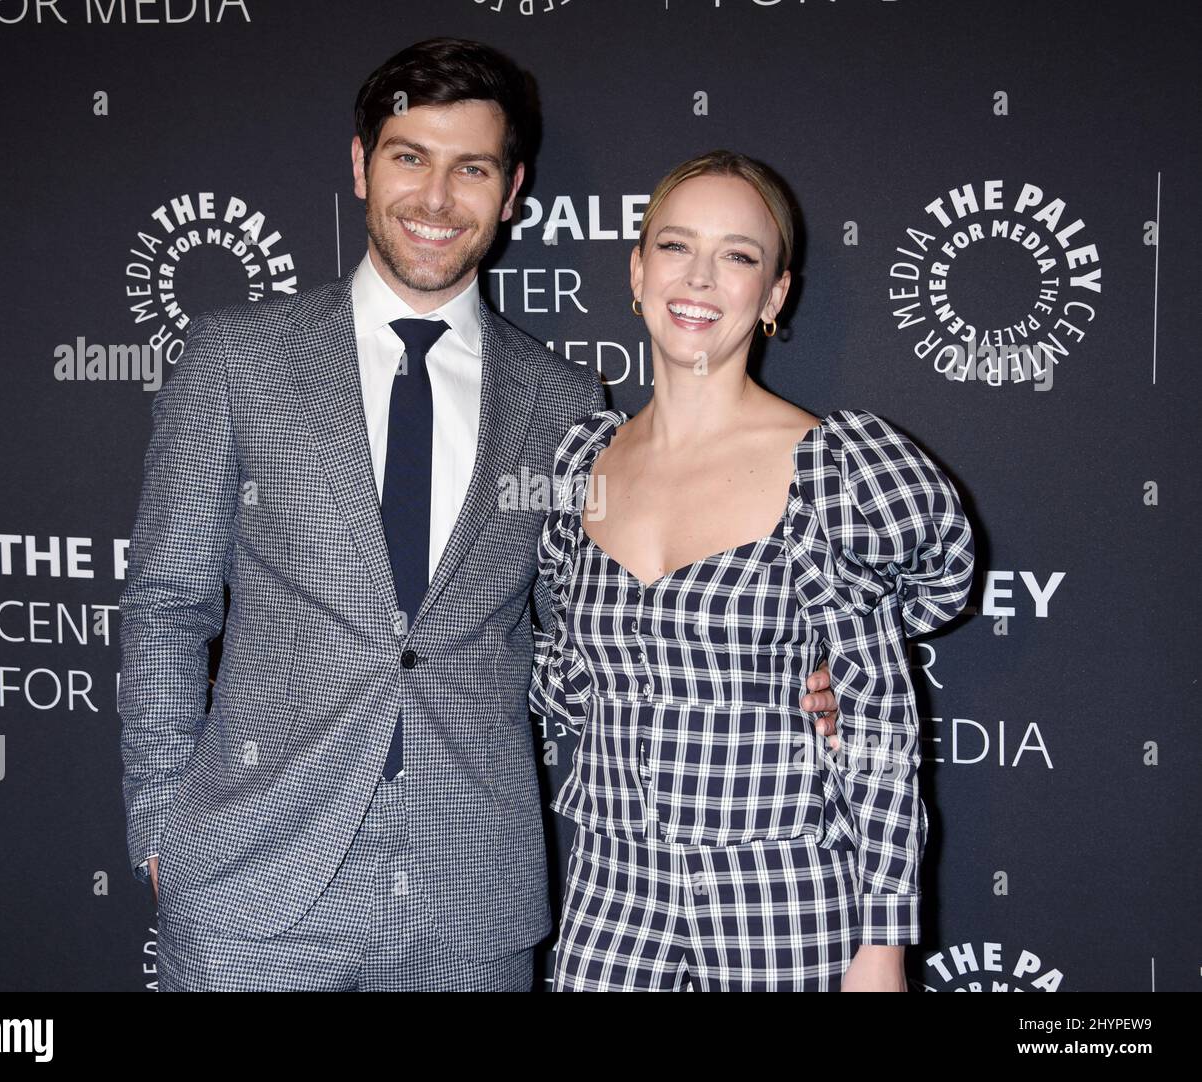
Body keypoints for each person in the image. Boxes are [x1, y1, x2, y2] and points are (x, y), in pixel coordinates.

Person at [119, 40, 845, 992]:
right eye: (409, 157)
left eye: (471, 168)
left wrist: (777, 676)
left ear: (511, 193)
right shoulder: (237, 361)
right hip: (248, 894)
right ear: (361, 165)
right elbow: (167, 605)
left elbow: (584, 637)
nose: (435, 197)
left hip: (471, 900)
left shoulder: (564, 405)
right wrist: (161, 829)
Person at [530, 150, 976, 991]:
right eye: (675, 245)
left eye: (737, 255)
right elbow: (563, 675)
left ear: (773, 295)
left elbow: (880, 724)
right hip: (611, 888)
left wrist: (883, 944)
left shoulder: (831, 467)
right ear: (637, 270)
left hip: (781, 892)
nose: (699, 277)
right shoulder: (583, 461)